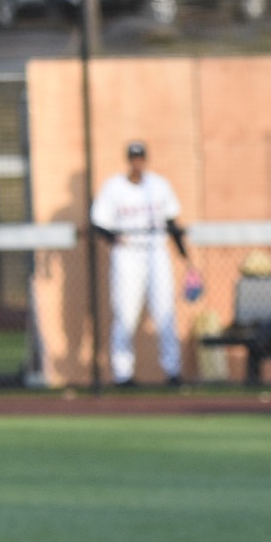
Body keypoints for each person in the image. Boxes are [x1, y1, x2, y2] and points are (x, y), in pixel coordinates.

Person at [90, 141, 198, 387]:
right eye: (133, 158)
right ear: (128, 160)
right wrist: (112, 238)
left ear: (145, 159)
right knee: (125, 314)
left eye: (140, 158)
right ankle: (122, 373)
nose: (137, 162)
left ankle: (173, 371)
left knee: (165, 312)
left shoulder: (158, 186)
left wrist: (185, 258)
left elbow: (172, 222)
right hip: (127, 254)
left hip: (156, 252)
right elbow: (99, 223)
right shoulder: (114, 187)